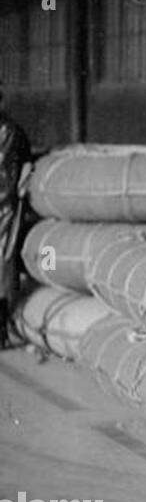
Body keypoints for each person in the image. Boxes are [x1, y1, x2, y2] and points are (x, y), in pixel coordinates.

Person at [0, 84, 32, 349]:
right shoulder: (12, 132)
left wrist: (22, 185)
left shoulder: (13, 133)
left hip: (6, 208)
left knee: (4, 262)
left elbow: (26, 163)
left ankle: (2, 322)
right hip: (5, 206)